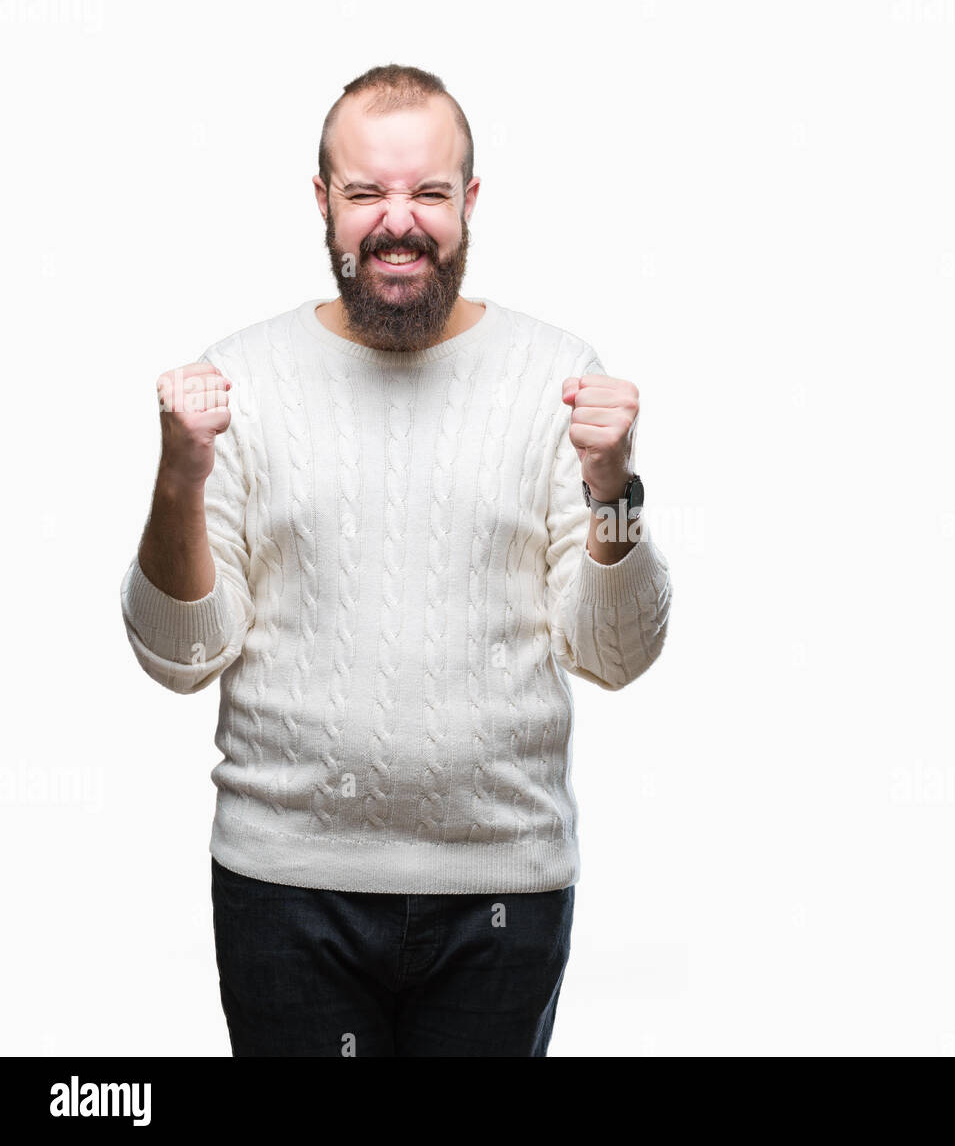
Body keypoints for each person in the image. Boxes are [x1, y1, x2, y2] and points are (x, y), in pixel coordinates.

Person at [119, 63, 672, 1057]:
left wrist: (613, 489)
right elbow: (176, 657)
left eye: (426, 192)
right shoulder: (243, 377)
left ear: (469, 200)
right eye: (367, 192)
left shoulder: (557, 375)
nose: (397, 221)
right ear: (324, 202)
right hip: (286, 890)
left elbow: (617, 655)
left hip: (502, 891)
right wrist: (178, 475)